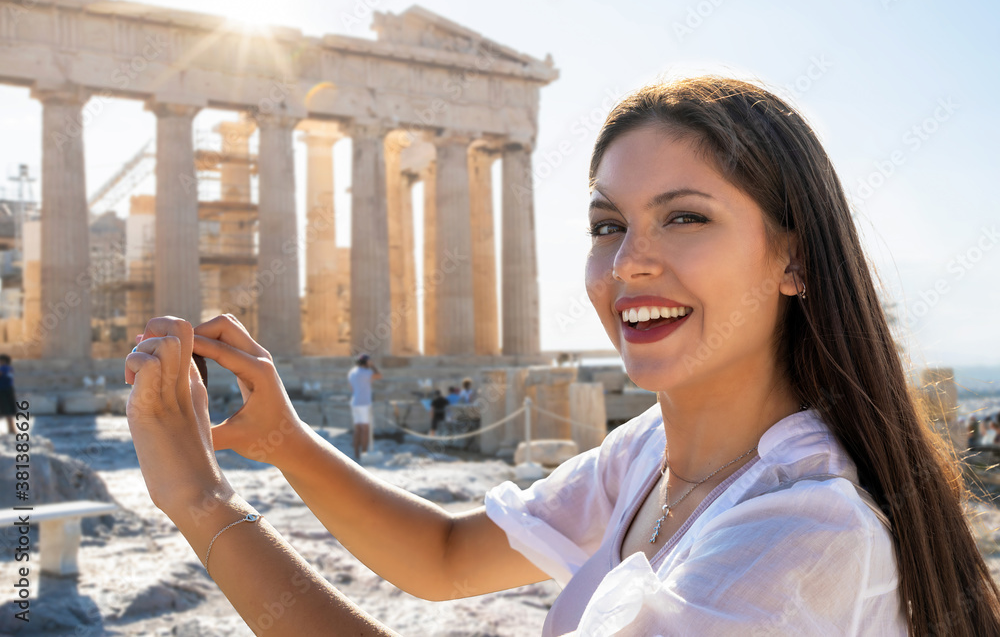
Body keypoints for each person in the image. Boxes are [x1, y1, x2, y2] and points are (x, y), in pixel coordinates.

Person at [122, 76, 1000, 635]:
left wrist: (201, 503)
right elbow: (443, 557)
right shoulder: (655, 452)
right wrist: (283, 439)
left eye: (685, 216)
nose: (629, 262)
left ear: (795, 257)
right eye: (608, 224)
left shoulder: (802, 534)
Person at [347, 353, 381, 461]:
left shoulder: (352, 373)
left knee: (357, 430)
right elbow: (379, 375)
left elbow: (351, 388)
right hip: (364, 403)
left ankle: (356, 453)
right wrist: (372, 365)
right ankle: (364, 453)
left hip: (354, 402)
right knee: (365, 430)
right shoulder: (367, 372)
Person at [0, 354, 16, 434]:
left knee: (6, 410)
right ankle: (11, 429)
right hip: (8, 390)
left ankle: (11, 429)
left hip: (3, 391)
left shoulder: (4, 367)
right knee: (8, 411)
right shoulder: (10, 368)